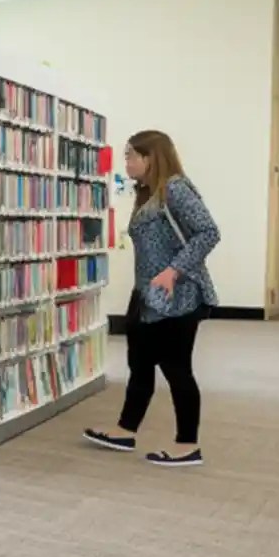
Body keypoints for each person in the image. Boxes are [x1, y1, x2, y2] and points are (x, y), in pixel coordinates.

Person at [83, 130, 219, 467]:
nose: (126, 162)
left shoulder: (175, 188)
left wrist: (174, 271)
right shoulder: (146, 192)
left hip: (179, 297)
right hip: (147, 295)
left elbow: (209, 232)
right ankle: (125, 429)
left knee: (176, 369)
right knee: (140, 365)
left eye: (131, 155)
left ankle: (187, 444)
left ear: (151, 158)